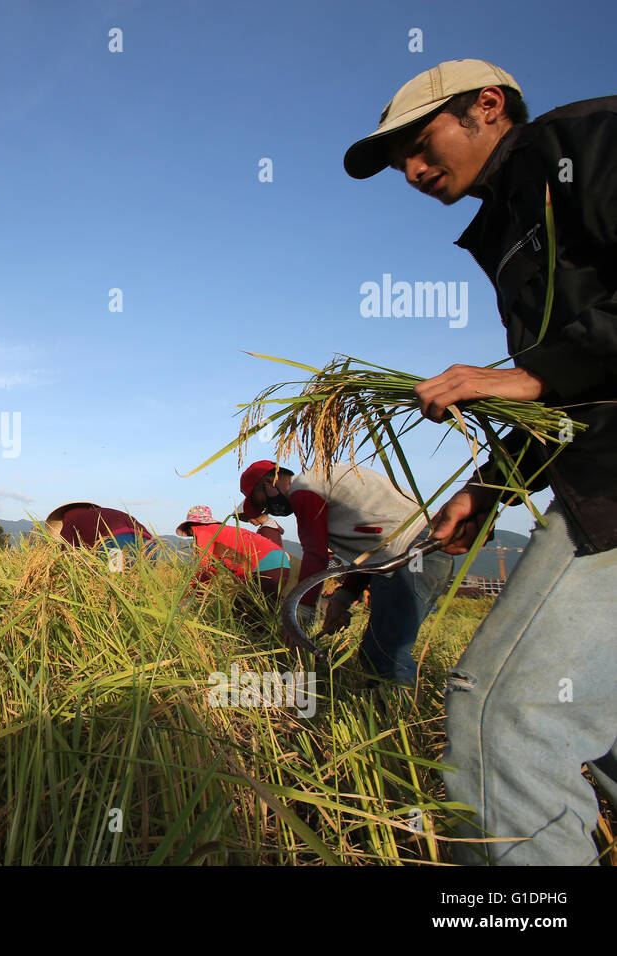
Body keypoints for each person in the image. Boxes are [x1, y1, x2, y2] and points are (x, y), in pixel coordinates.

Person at [345, 58, 617, 864]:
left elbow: (556, 378)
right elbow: (569, 397)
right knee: (589, 723)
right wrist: (489, 488)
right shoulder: (505, 231)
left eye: (421, 145)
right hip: (594, 462)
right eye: (400, 165)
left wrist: (531, 373)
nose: (414, 171)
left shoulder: (584, 142)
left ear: (487, 107)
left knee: (504, 718)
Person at [239, 459, 452, 683]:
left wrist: (299, 616)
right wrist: (342, 600)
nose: (266, 510)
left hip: (411, 555)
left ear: (268, 482)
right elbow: (372, 550)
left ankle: (399, 711)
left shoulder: (305, 488)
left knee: (386, 654)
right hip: (418, 552)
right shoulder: (323, 476)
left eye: (261, 502)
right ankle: (390, 706)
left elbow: (315, 555)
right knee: (380, 648)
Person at [177, 504, 291, 598]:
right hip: (280, 563)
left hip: (265, 565)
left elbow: (206, 568)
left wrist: (191, 596)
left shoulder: (203, 532)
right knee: (261, 611)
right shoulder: (219, 531)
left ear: (191, 527)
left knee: (246, 616)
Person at [45, 502, 158, 566]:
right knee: (142, 587)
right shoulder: (102, 515)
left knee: (115, 583)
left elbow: (68, 557)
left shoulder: (69, 523)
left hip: (116, 543)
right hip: (149, 545)